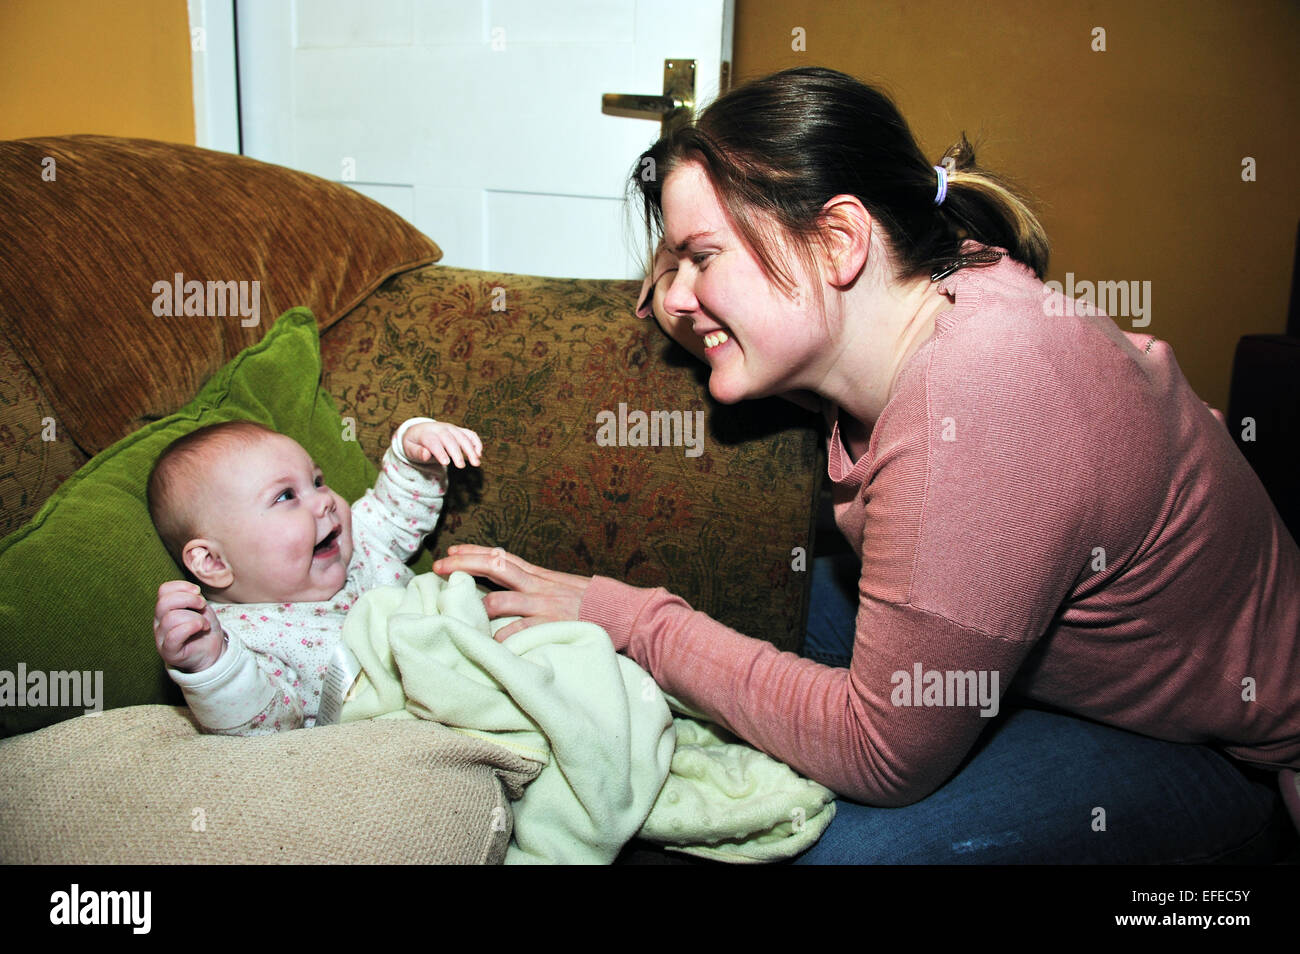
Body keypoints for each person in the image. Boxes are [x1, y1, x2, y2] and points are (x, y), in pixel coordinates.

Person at [432, 66, 1299, 863]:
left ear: (840, 240)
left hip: (1210, 742)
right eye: (670, 264)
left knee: (839, 853)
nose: (676, 297)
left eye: (701, 257)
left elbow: (881, 756)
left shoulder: (982, 389)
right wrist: (686, 283)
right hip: (1052, 662)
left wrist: (627, 617)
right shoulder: (920, 304)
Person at [149, 416, 482, 734]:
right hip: (402, 734)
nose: (325, 501)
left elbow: (395, 513)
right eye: (286, 496)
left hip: (475, 651)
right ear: (214, 562)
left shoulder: (357, 543)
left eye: (318, 482)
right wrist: (213, 669)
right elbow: (267, 728)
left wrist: (414, 450)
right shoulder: (242, 644)